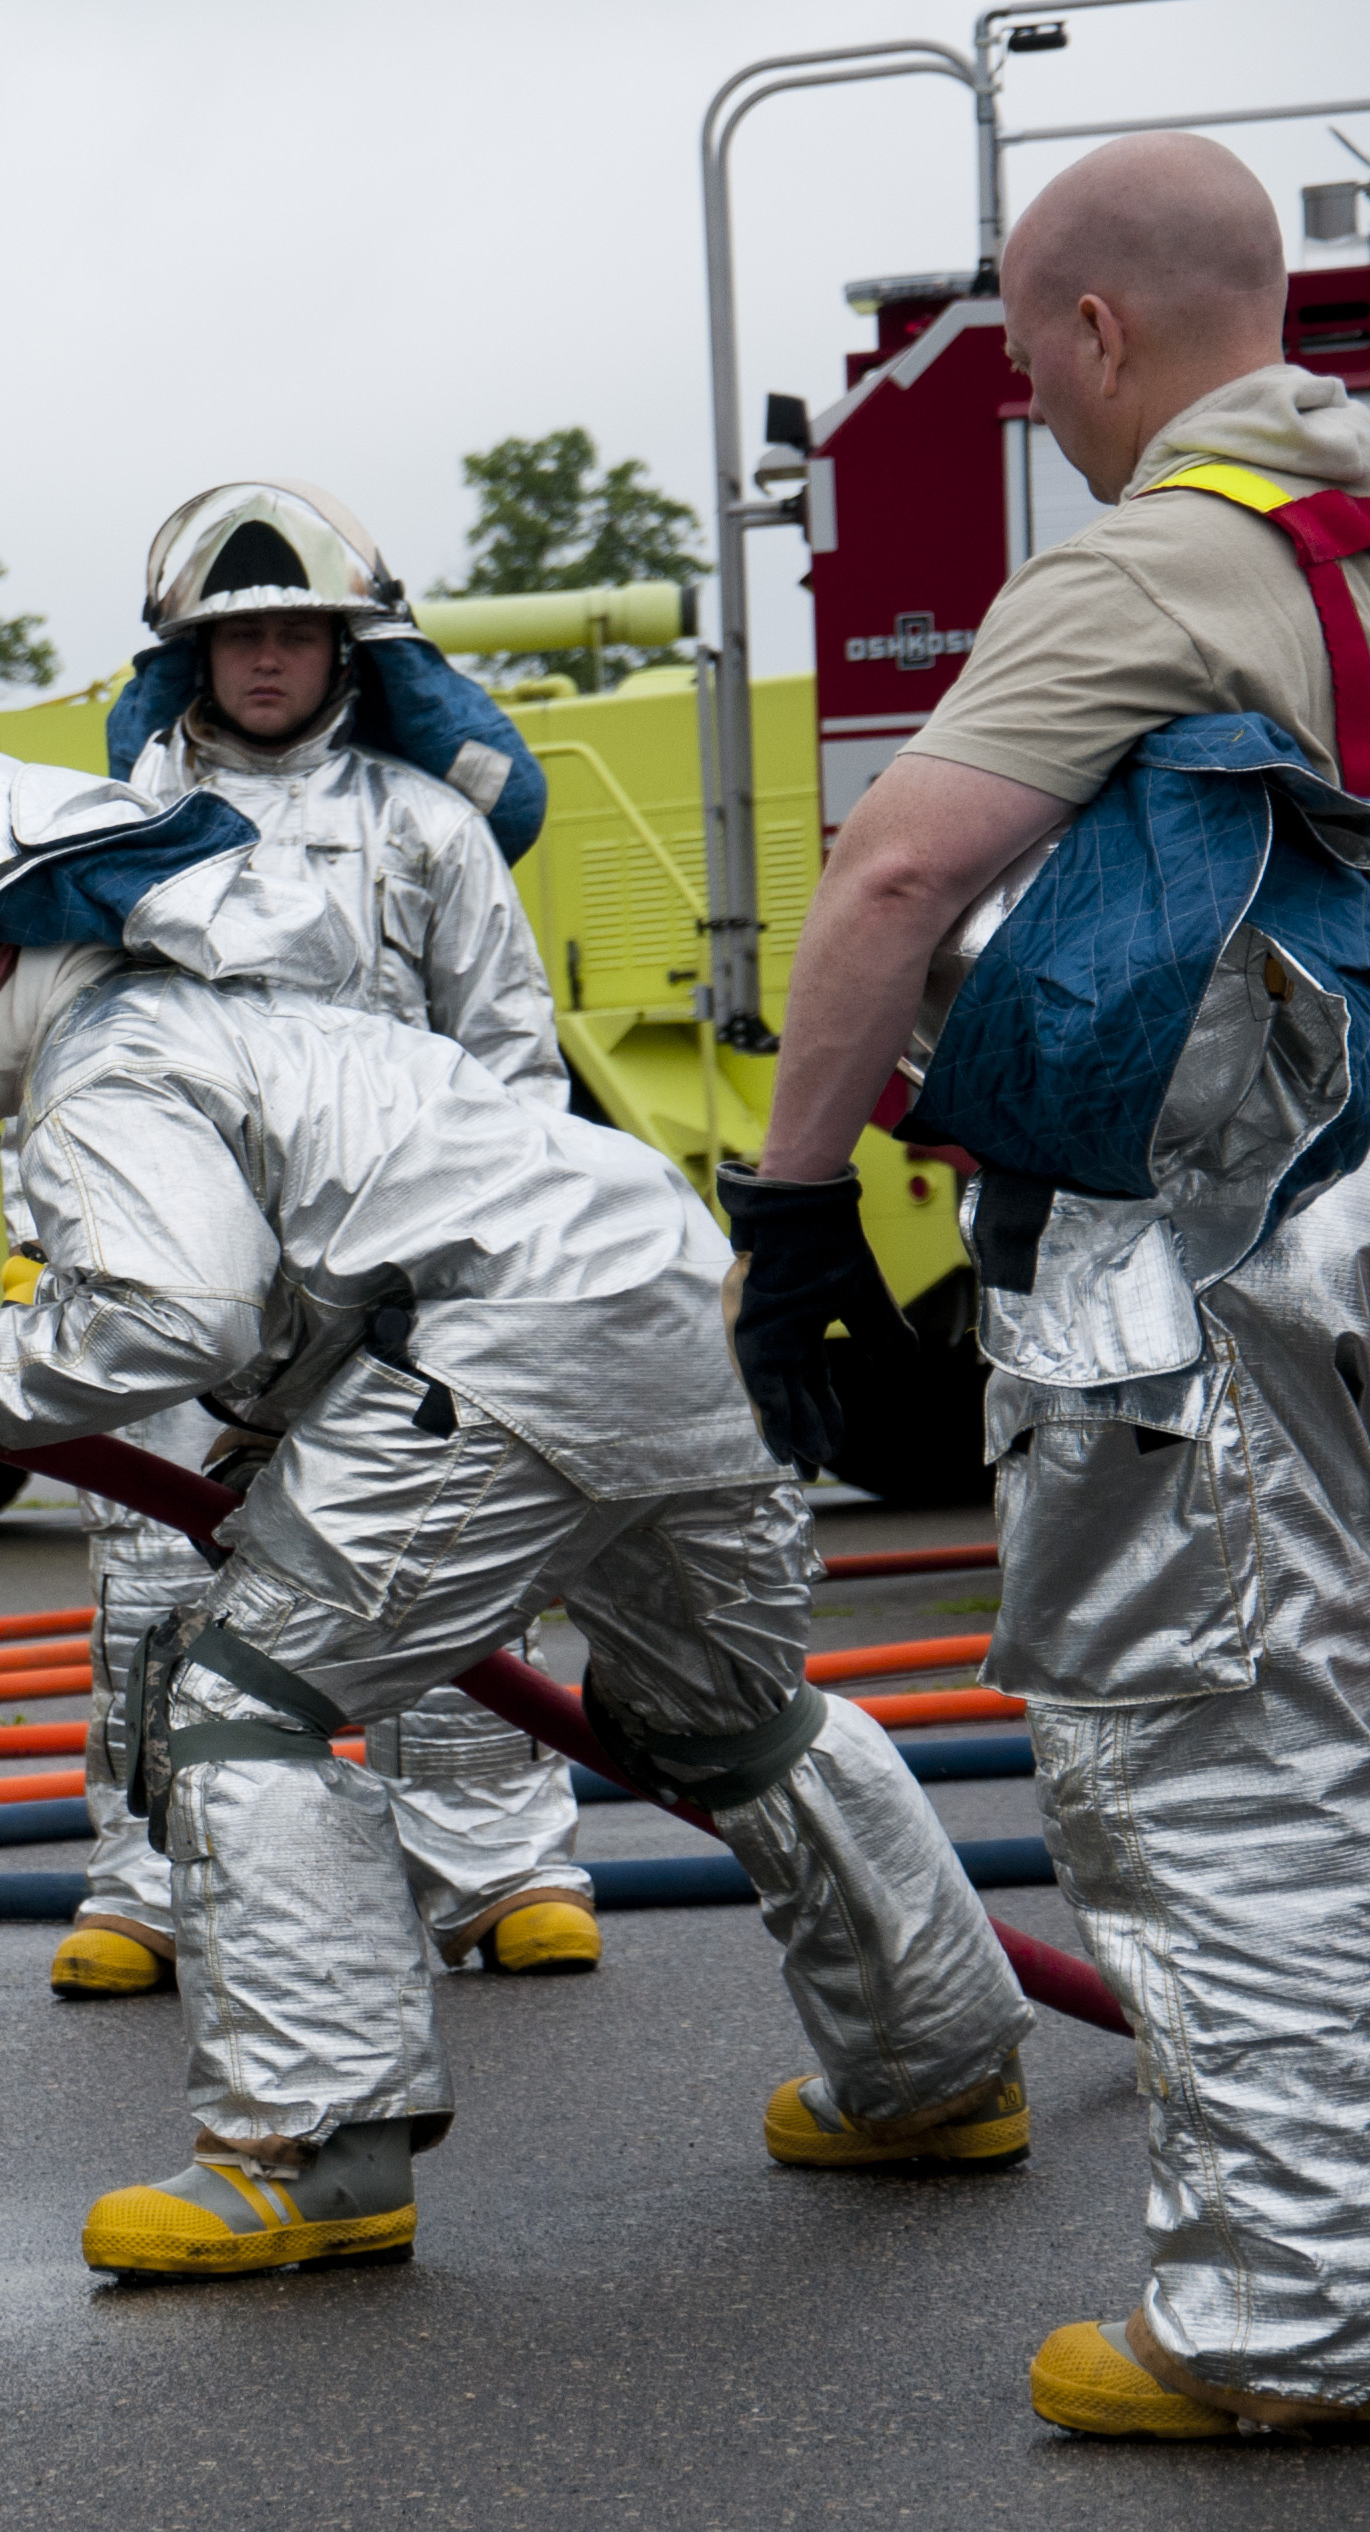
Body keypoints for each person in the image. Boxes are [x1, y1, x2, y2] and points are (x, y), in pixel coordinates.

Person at [0, 743, 1035, 2279]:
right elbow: (335, 1269)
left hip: (508, 1353)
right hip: (666, 1313)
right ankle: (936, 2075)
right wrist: (269, 1447)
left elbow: (166, 1318)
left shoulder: (107, 1068)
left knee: (237, 1708)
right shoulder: (255, 1026)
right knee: (734, 1717)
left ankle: (313, 2148)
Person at [728, 134, 1370, 2439]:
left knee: (1216, 1774)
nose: (1036, 407)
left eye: (1024, 365)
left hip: (1247, 1253)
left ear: (1095, 332)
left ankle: (1283, 2327)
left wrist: (795, 1222)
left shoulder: (1154, 565)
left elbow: (897, 875)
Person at [43, 483, 593, 2007]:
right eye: (238, 635)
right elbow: (62, 1050)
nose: (268, 657)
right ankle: (149, 1883)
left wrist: (499, 1254)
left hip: (400, 1280)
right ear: (191, 657)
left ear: (348, 648)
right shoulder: (116, 840)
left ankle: (501, 1867)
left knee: (445, 1568)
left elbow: (509, 1048)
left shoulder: (429, 829)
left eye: (294, 629)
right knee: (155, 1572)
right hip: (194, 1277)